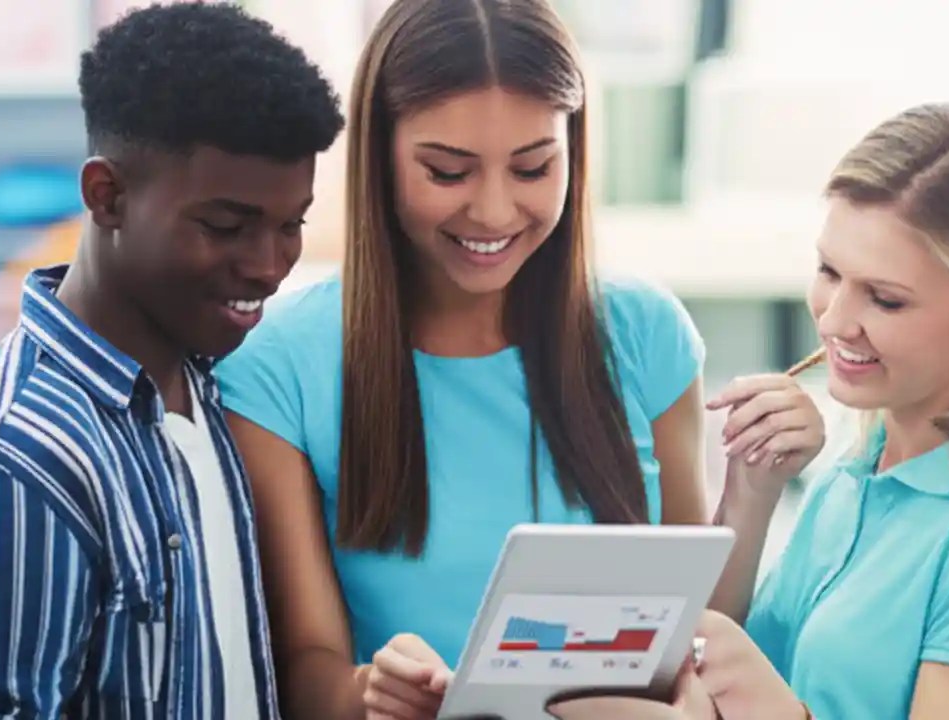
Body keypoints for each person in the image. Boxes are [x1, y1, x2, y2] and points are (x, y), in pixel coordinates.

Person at [211, 0, 715, 717]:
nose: (494, 212)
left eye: (534, 168)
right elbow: (303, 669)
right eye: (448, 172)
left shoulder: (645, 331)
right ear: (380, 156)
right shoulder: (277, 366)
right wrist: (371, 693)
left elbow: (697, 629)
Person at [554, 102, 949, 720]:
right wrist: (753, 492)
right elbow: (730, 659)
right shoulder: (858, 471)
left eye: (886, 300)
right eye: (829, 272)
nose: (836, 320)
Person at [0, 3, 343, 717]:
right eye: (225, 226)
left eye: (291, 225)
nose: (269, 266)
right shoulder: (23, 452)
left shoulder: (208, 384)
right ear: (107, 196)